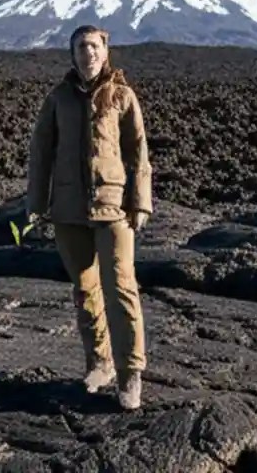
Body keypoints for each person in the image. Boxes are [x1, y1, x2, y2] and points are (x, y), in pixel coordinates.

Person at [26, 24, 152, 410]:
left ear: (105, 50)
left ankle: (131, 372)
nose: (88, 53)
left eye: (94, 46)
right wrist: (36, 203)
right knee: (84, 289)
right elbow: (41, 152)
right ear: (72, 53)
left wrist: (140, 201)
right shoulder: (58, 99)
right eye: (81, 46)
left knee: (121, 287)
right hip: (68, 211)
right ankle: (100, 362)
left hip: (113, 208)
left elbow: (138, 153)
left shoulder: (122, 96)